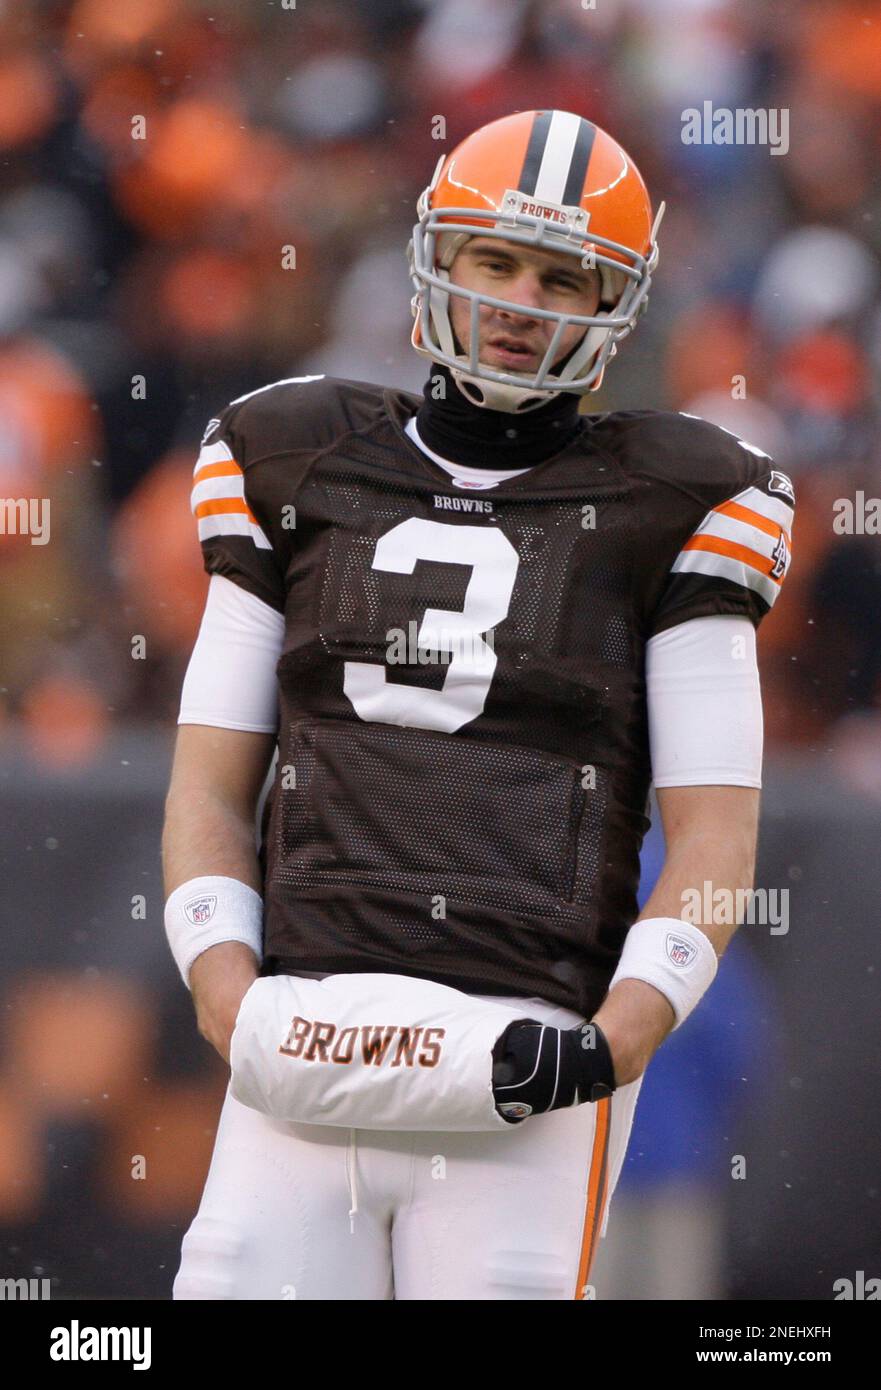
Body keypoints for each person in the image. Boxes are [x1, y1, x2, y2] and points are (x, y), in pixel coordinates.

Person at [162, 109, 794, 1300]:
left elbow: (715, 841)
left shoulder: (681, 497)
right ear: (435, 261)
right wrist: (222, 988)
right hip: (308, 1025)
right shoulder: (288, 455)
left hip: (527, 1048)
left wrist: (619, 1037)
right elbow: (206, 779)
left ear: (616, 301)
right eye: (493, 260)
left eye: (562, 275)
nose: (520, 300)